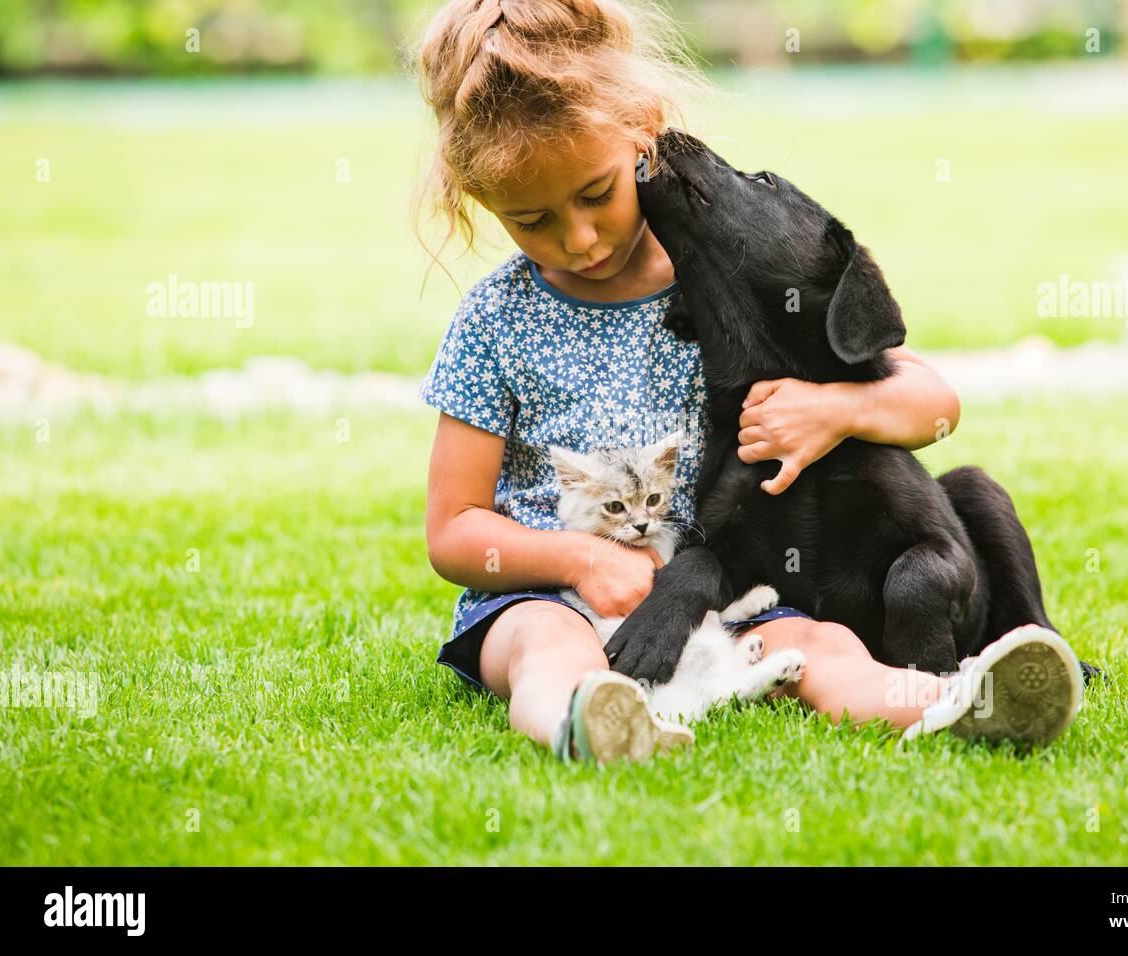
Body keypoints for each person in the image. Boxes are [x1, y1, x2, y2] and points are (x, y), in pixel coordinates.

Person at [415, 0, 1084, 764]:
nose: (579, 238)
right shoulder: (495, 320)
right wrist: (579, 562)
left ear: (643, 129)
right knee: (543, 644)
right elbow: (454, 529)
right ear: (479, 199)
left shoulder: (716, 278)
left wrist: (837, 409)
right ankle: (587, 719)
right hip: (545, 591)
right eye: (531, 219)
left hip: (727, 593)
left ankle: (953, 702)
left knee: (820, 643)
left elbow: (935, 403)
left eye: (596, 193)